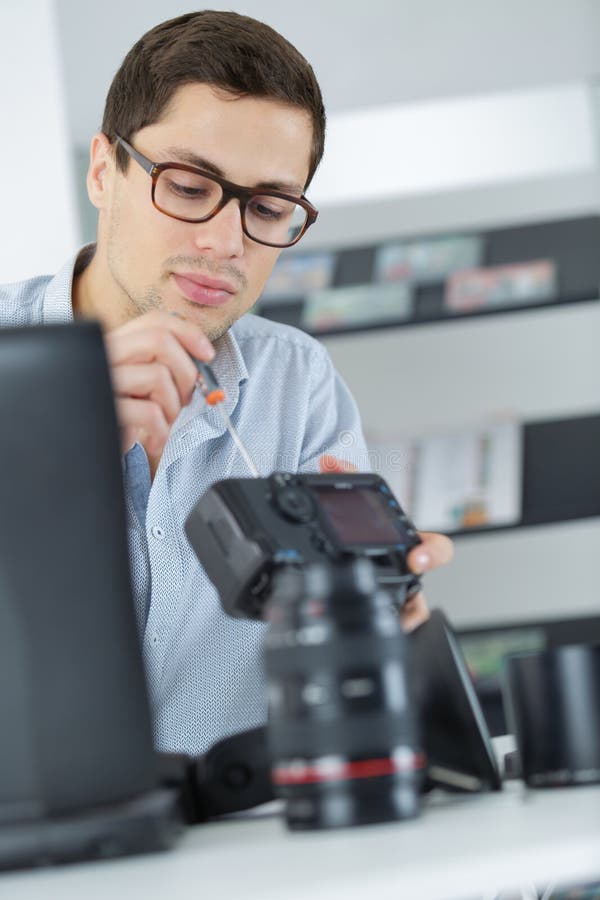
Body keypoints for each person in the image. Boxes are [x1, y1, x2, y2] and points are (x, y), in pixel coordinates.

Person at [0, 10, 452, 755]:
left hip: (242, 853)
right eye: (186, 187)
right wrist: (54, 450)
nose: (223, 243)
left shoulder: (295, 382)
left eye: (268, 208)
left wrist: (375, 620)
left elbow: (338, 680)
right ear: (101, 172)